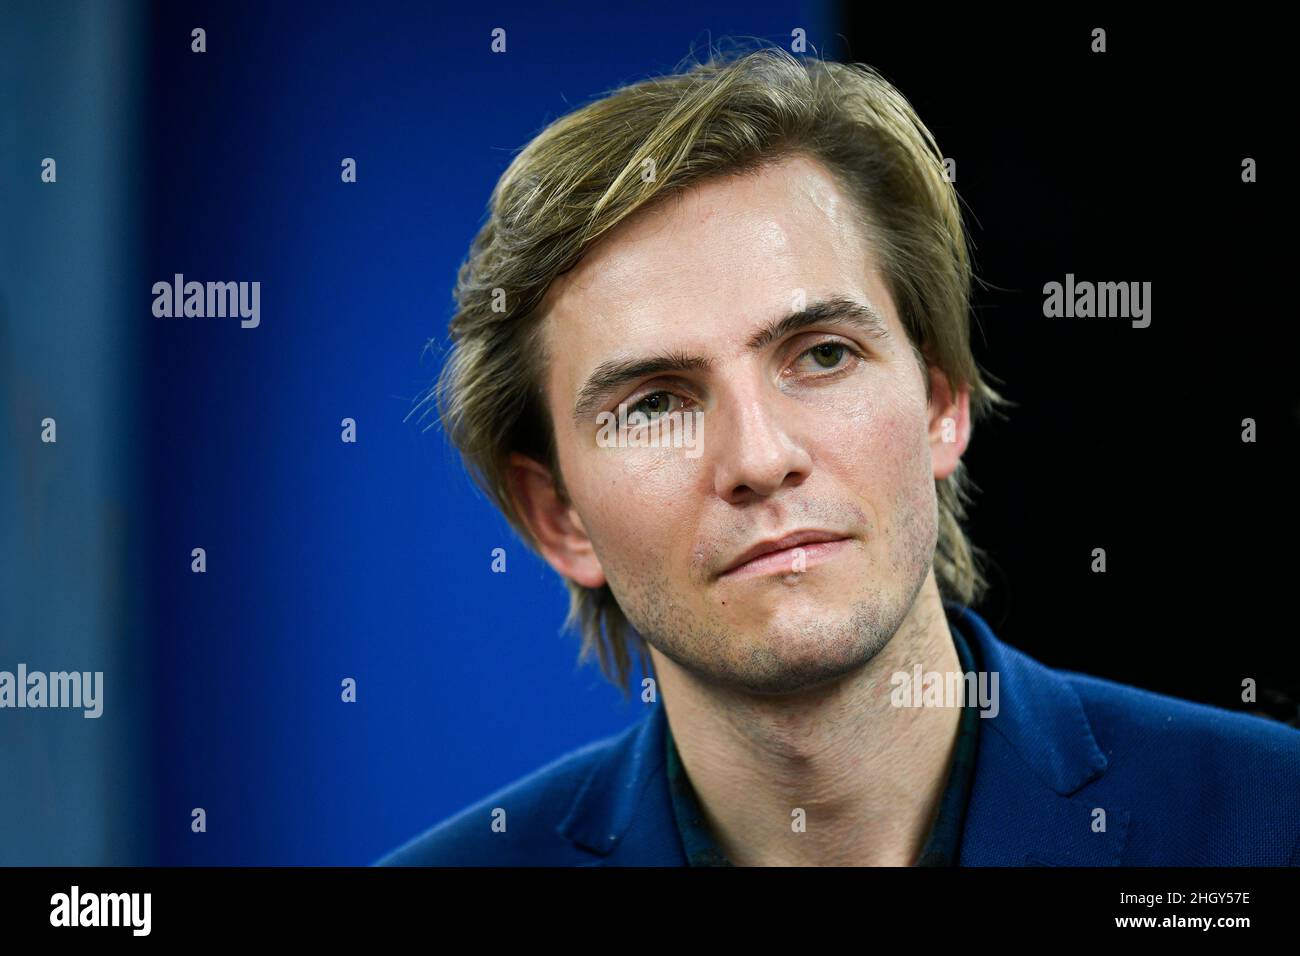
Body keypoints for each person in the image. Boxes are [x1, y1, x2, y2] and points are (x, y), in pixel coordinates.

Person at [379, 46, 1300, 866]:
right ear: (557, 517)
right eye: (656, 402)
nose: (761, 457)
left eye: (823, 355)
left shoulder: (1271, 819)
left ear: (942, 400)